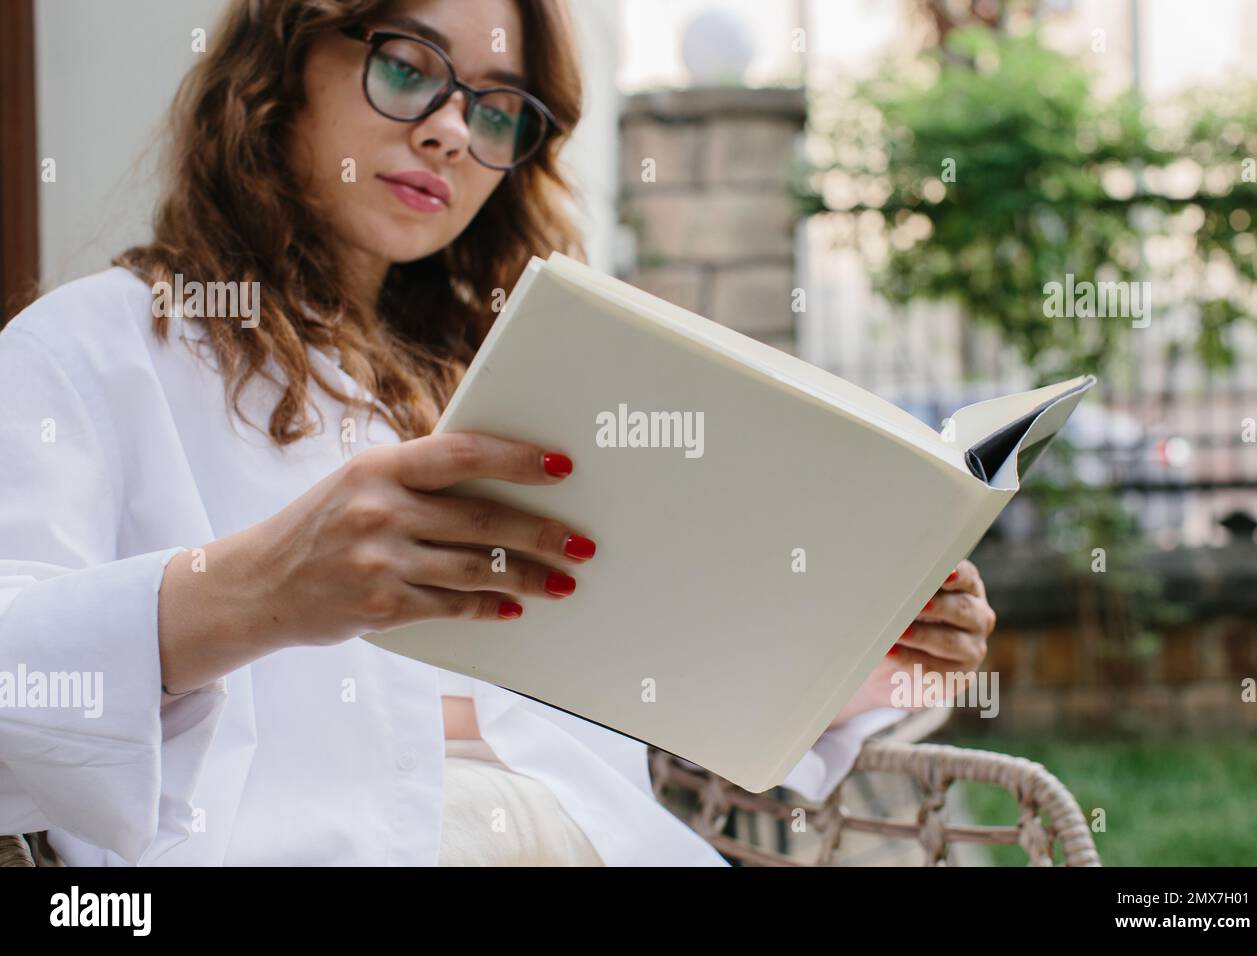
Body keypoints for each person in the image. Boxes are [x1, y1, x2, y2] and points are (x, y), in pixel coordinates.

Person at [0, 0, 997, 866]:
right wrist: (257, 589)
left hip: (596, 832)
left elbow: (643, 688)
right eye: (408, 68)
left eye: (496, 107)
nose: (450, 133)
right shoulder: (92, 349)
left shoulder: (513, 387)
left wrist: (858, 644)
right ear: (280, 64)